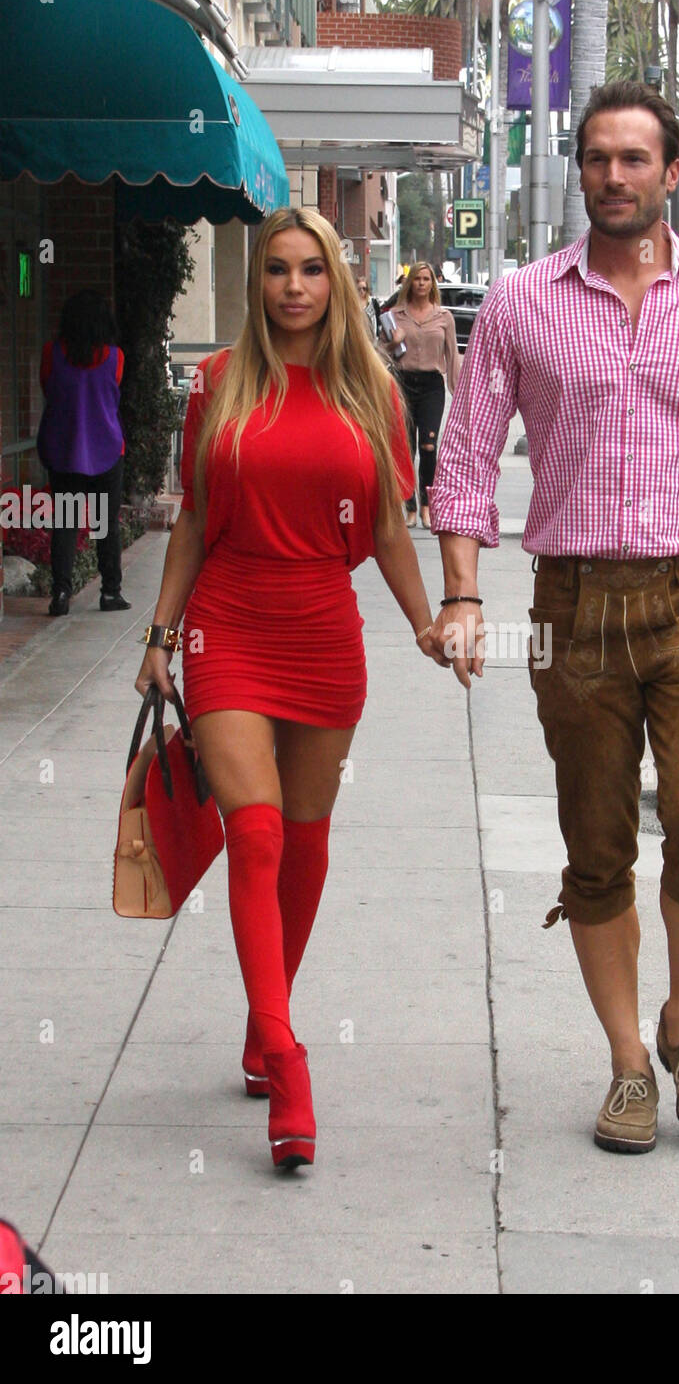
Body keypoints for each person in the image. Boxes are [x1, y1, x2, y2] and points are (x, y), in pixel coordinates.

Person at [428, 81, 679, 1155]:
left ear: (671, 173)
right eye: (597, 158)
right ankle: (625, 1063)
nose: (614, 175)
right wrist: (464, 593)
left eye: (634, 158)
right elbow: (467, 454)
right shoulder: (521, 302)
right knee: (597, 844)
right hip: (571, 601)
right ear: (581, 170)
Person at [134, 207, 447, 1171]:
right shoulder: (220, 385)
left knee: (305, 842)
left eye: (313, 270)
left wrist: (428, 622)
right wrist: (159, 633)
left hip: (322, 630)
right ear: (259, 283)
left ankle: (261, 1020)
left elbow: (391, 531)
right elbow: (191, 520)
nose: (295, 287)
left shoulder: (372, 396)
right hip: (227, 621)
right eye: (277, 270)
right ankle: (288, 1052)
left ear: (337, 283)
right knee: (256, 830)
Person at [36, 291, 130, 616]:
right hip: (106, 448)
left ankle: (61, 594)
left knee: (65, 523)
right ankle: (110, 592)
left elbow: (47, 388)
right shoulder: (115, 357)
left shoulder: (51, 353)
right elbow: (114, 395)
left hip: (63, 450)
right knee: (106, 524)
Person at [383, 261, 460, 530]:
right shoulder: (395, 314)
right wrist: (393, 341)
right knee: (405, 449)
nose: (422, 284)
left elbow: (452, 356)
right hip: (402, 383)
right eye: (417, 279)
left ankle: (428, 505)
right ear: (410, 283)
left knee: (428, 446)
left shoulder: (444, 317)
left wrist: (458, 390)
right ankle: (410, 507)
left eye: (426, 279)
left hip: (431, 386)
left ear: (432, 284)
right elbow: (378, 353)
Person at [356, 275, 380, 341]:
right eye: (359, 289)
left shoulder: (373, 302)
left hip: (372, 338)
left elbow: (378, 321)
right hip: (357, 338)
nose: (362, 291)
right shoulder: (352, 303)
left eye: (364, 288)